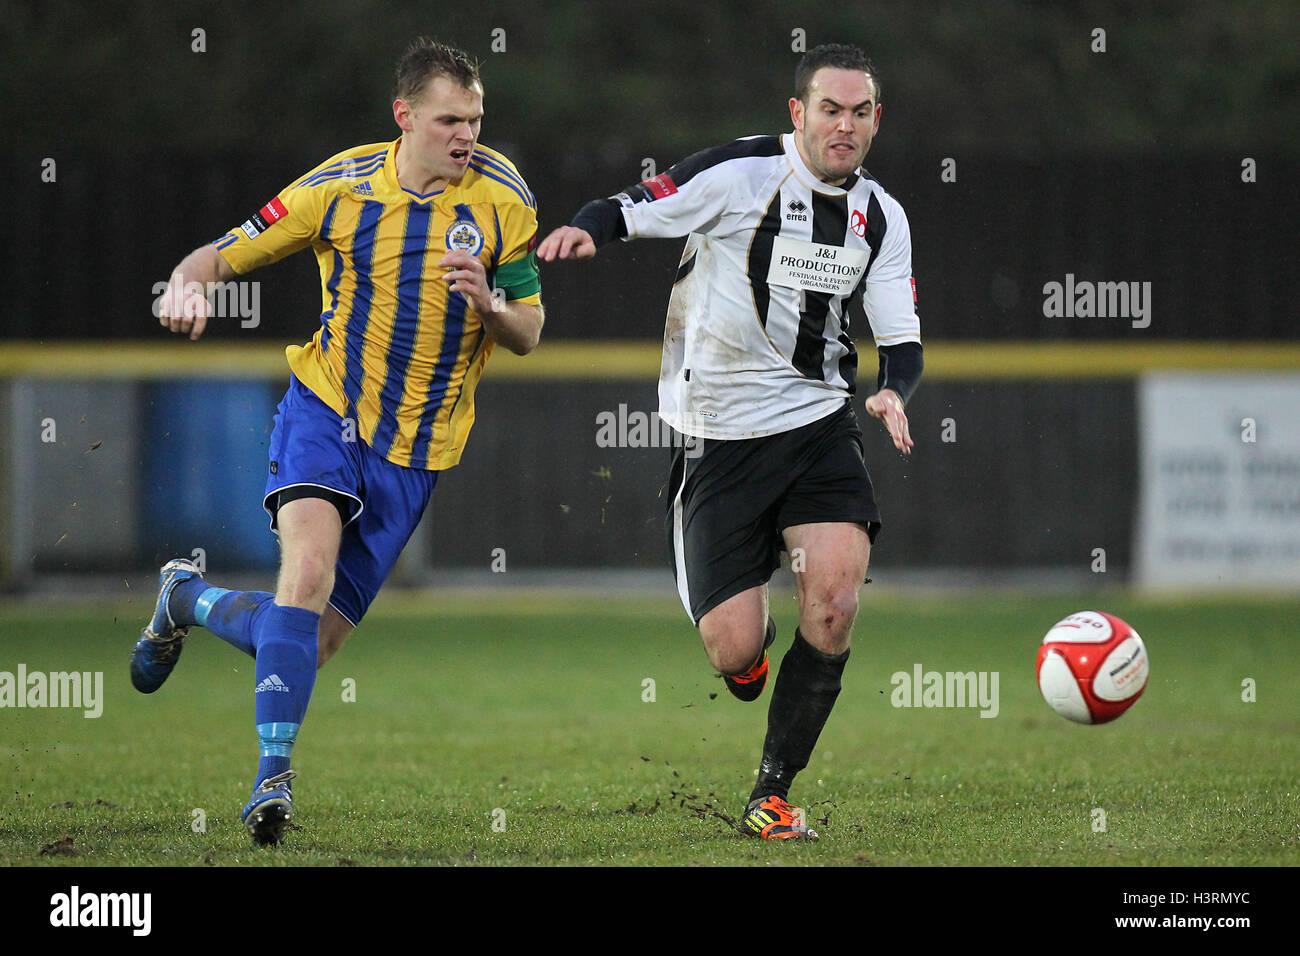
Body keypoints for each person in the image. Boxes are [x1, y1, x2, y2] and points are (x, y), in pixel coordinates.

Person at [134, 38, 544, 846]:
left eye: (476, 119)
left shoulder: (504, 200)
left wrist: (492, 309)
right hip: (328, 411)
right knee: (309, 570)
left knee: (307, 643)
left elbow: (530, 328)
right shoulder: (339, 187)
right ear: (405, 117)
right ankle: (271, 783)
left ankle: (184, 598)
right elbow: (221, 253)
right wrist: (185, 284)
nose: (468, 135)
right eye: (450, 120)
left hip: (417, 452)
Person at [538, 43, 921, 840]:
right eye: (830, 109)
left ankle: (772, 793)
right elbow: (637, 202)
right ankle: (751, 648)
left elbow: (903, 340)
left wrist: (891, 390)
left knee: (839, 596)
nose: (844, 125)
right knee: (733, 652)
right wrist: (584, 230)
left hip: (818, 425)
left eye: (860, 112)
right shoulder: (740, 174)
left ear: (876, 120)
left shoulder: (880, 216)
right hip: (715, 436)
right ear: (799, 114)